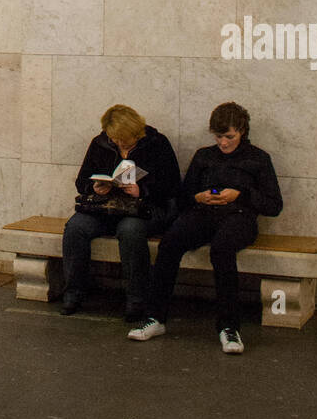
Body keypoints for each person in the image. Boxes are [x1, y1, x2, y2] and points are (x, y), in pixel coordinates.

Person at [128, 100, 283, 354]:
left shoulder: (258, 158)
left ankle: (229, 327)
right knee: (170, 242)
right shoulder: (204, 156)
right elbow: (182, 196)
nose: (223, 143)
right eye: (219, 136)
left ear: (242, 131)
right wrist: (198, 197)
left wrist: (240, 195)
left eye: (229, 137)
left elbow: (274, 205)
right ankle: (155, 317)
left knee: (221, 249)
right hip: (203, 213)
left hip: (240, 217)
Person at [61, 105, 180, 319]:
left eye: (124, 140)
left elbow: (172, 185)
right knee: (75, 227)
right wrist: (95, 187)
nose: (119, 144)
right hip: (107, 207)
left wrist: (142, 190)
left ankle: (136, 298)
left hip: (144, 209)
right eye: (115, 139)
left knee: (130, 230)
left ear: (136, 133)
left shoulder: (157, 144)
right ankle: (73, 292)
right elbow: (82, 181)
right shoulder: (100, 143)